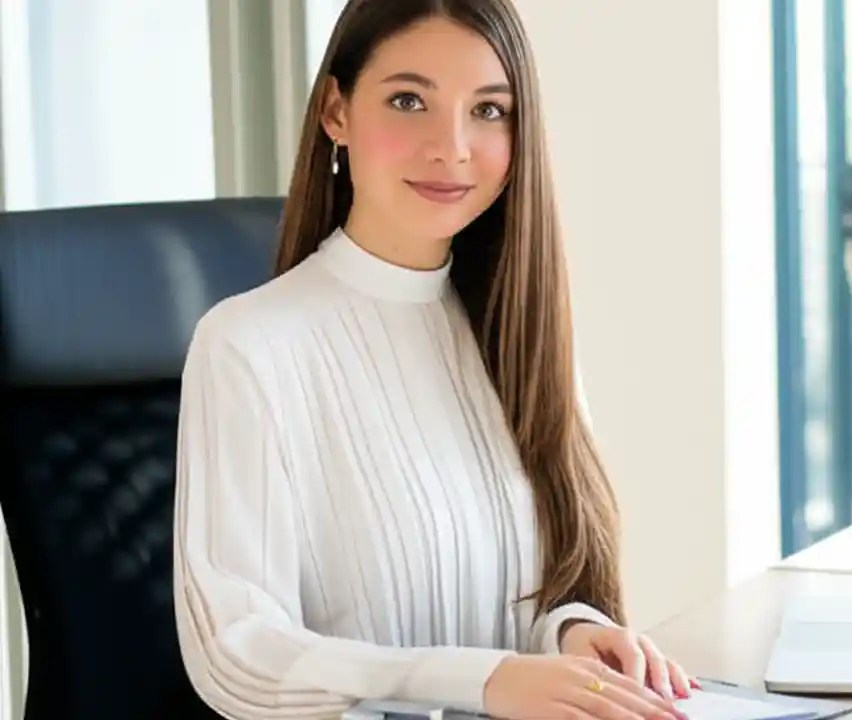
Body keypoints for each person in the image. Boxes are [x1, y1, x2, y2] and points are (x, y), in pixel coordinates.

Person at [172, 1, 693, 718]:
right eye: (409, 101)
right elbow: (238, 651)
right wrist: (481, 681)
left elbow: (531, 600)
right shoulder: (248, 345)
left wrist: (575, 635)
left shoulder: (513, 333)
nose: (452, 147)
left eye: (489, 110)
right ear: (336, 111)